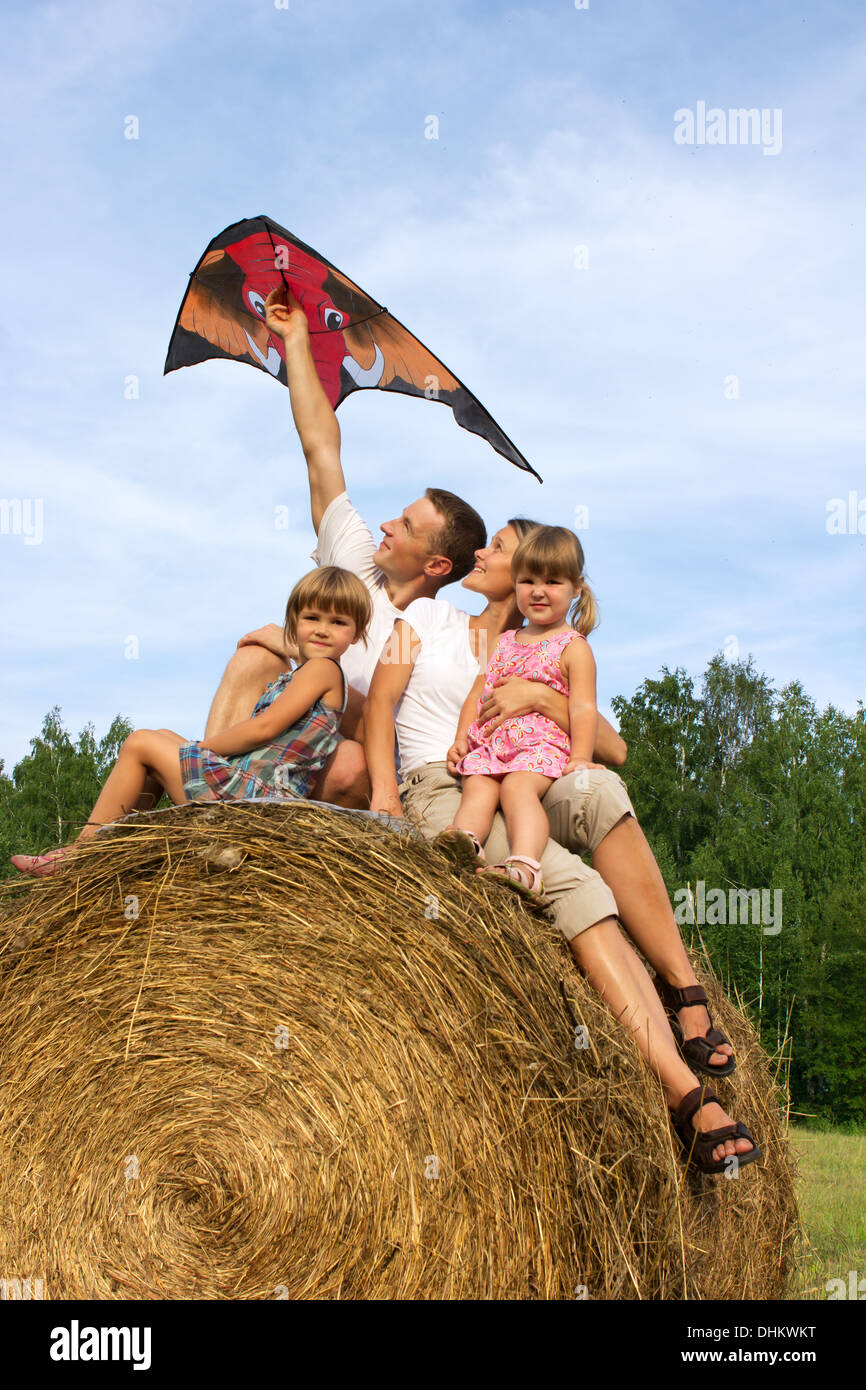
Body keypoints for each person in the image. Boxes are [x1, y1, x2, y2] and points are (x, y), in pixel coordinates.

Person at [364, 522, 760, 1174]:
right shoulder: (428, 618)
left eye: (504, 548)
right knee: (574, 885)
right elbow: (380, 704)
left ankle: (686, 990)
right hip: (449, 778)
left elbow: (614, 749)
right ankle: (683, 1091)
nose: (486, 554)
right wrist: (384, 794)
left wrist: (542, 697)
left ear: (563, 584)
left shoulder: (551, 645)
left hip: (535, 773)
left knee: (603, 792)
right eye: (501, 553)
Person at [204, 285, 628, 805]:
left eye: (405, 525)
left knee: (348, 748)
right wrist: (294, 341)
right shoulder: (358, 566)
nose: (386, 525)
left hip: (373, 769)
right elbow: (321, 449)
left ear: (436, 563)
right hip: (303, 742)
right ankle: (202, 811)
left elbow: (611, 746)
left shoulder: (449, 632)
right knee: (252, 660)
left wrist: (298, 646)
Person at [10, 566, 371, 877]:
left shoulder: (322, 670)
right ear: (293, 622)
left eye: (338, 622)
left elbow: (263, 728)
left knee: (140, 742)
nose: (323, 630)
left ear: (355, 634)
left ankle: (82, 855)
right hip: (252, 793)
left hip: (256, 800)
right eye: (313, 618)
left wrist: (202, 749)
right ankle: (122, 849)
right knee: (162, 736)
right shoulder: (307, 674)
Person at [441, 524, 602, 899]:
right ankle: (463, 845)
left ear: (576, 587)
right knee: (476, 786)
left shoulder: (572, 647)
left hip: (538, 748)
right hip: (492, 744)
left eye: (553, 582)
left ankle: (525, 866)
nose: (538, 591)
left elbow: (583, 707)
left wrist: (580, 757)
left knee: (516, 790)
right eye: (528, 580)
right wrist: (461, 740)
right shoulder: (504, 641)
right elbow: (477, 694)